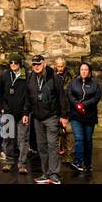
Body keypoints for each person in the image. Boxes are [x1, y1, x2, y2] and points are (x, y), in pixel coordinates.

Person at [22, 54, 69, 184]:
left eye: (38, 64)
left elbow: (62, 97)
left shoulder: (54, 77)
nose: (36, 66)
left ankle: (54, 174)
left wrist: (64, 116)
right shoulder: (31, 77)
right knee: (41, 147)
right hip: (37, 118)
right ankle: (46, 173)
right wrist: (25, 113)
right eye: (34, 64)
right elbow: (28, 97)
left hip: (51, 117)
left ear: (44, 64)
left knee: (52, 146)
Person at [66, 60, 102, 175]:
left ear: (89, 72)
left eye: (86, 70)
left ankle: (88, 163)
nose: (84, 71)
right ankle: (78, 162)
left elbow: (96, 97)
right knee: (79, 138)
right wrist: (77, 104)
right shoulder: (73, 83)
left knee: (88, 140)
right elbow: (70, 94)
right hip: (76, 116)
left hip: (89, 116)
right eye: (82, 69)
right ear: (79, 71)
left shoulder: (94, 84)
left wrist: (84, 104)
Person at [0, 56, 29, 173]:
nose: (13, 64)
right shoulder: (5, 75)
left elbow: (29, 95)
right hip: (8, 113)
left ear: (20, 63)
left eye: (16, 62)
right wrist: (2, 108)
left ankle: (22, 164)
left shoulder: (26, 75)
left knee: (23, 140)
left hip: (22, 114)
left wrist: (26, 111)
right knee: (8, 139)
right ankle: (9, 162)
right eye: (11, 62)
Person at [52, 56, 72, 163]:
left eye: (62, 66)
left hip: (66, 106)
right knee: (55, 131)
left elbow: (68, 91)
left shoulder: (69, 76)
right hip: (54, 107)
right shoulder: (51, 75)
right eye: (58, 66)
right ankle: (56, 153)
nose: (60, 68)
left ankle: (67, 155)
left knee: (67, 131)